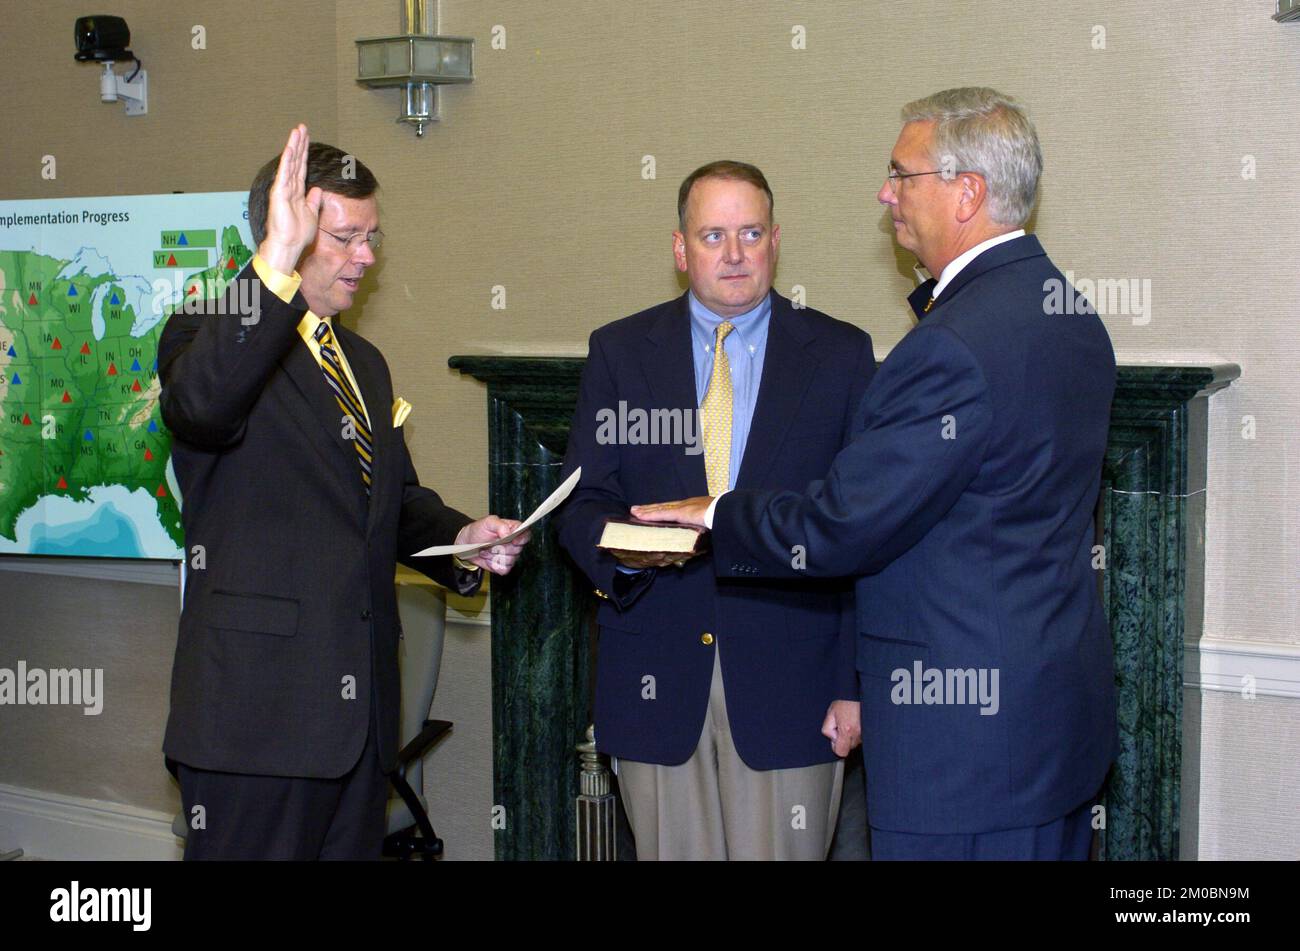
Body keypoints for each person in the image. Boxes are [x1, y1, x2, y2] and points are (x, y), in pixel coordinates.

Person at [633, 88, 1117, 860]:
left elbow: (843, 523)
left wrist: (717, 515)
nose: (885, 193)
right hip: (1050, 725)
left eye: (902, 173)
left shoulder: (952, 345)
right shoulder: (1068, 310)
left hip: (964, 755)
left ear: (967, 192)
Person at [158, 125, 530, 860]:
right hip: (255, 725)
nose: (366, 257)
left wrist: (463, 541)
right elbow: (200, 406)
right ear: (286, 233)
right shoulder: (204, 332)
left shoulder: (363, 360)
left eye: (373, 238)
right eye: (345, 237)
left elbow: (386, 505)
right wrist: (273, 261)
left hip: (358, 729)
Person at [556, 161, 875, 859]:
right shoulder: (619, 353)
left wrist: (854, 684)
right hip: (656, 677)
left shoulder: (841, 356)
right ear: (680, 248)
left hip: (795, 689)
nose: (733, 254)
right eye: (712, 235)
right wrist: (630, 555)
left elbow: (861, 527)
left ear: (776, 241)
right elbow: (583, 501)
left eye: (750, 233)